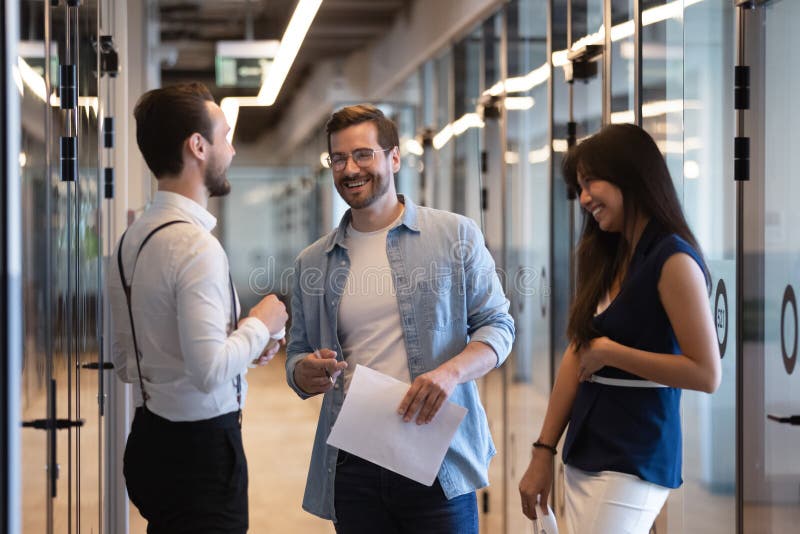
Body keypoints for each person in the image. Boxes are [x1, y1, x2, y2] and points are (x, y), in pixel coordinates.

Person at [285, 104, 515, 533]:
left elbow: (498, 326)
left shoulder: (454, 235)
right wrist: (304, 371)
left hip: (437, 457)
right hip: (353, 462)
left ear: (393, 157)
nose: (350, 168)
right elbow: (296, 356)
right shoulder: (312, 262)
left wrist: (449, 374)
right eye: (338, 159)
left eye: (363, 155)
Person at [518, 124, 721, 533]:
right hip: (588, 446)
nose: (585, 198)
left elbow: (705, 372)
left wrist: (611, 353)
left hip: (635, 453)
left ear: (631, 174)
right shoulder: (610, 256)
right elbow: (577, 353)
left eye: (591, 182)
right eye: (579, 188)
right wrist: (544, 450)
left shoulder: (672, 260)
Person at [106, 82, 288, 534]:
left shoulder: (132, 240)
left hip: (150, 441)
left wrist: (241, 344)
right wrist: (260, 326)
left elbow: (131, 364)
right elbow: (208, 371)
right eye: (226, 136)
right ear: (198, 146)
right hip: (200, 456)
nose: (233, 150)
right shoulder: (195, 247)